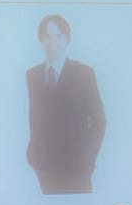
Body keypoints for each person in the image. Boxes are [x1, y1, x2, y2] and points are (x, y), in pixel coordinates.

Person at [26, 13, 106, 194]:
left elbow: (99, 120)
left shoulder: (84, 73)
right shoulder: (32, 75)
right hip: (44, 166)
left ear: (67, 39)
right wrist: (33, 154)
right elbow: (34, 117)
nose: (52, 42)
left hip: (78, 166)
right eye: (47, 36)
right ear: (40, 39)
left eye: (58, 36)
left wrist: (88, 156)